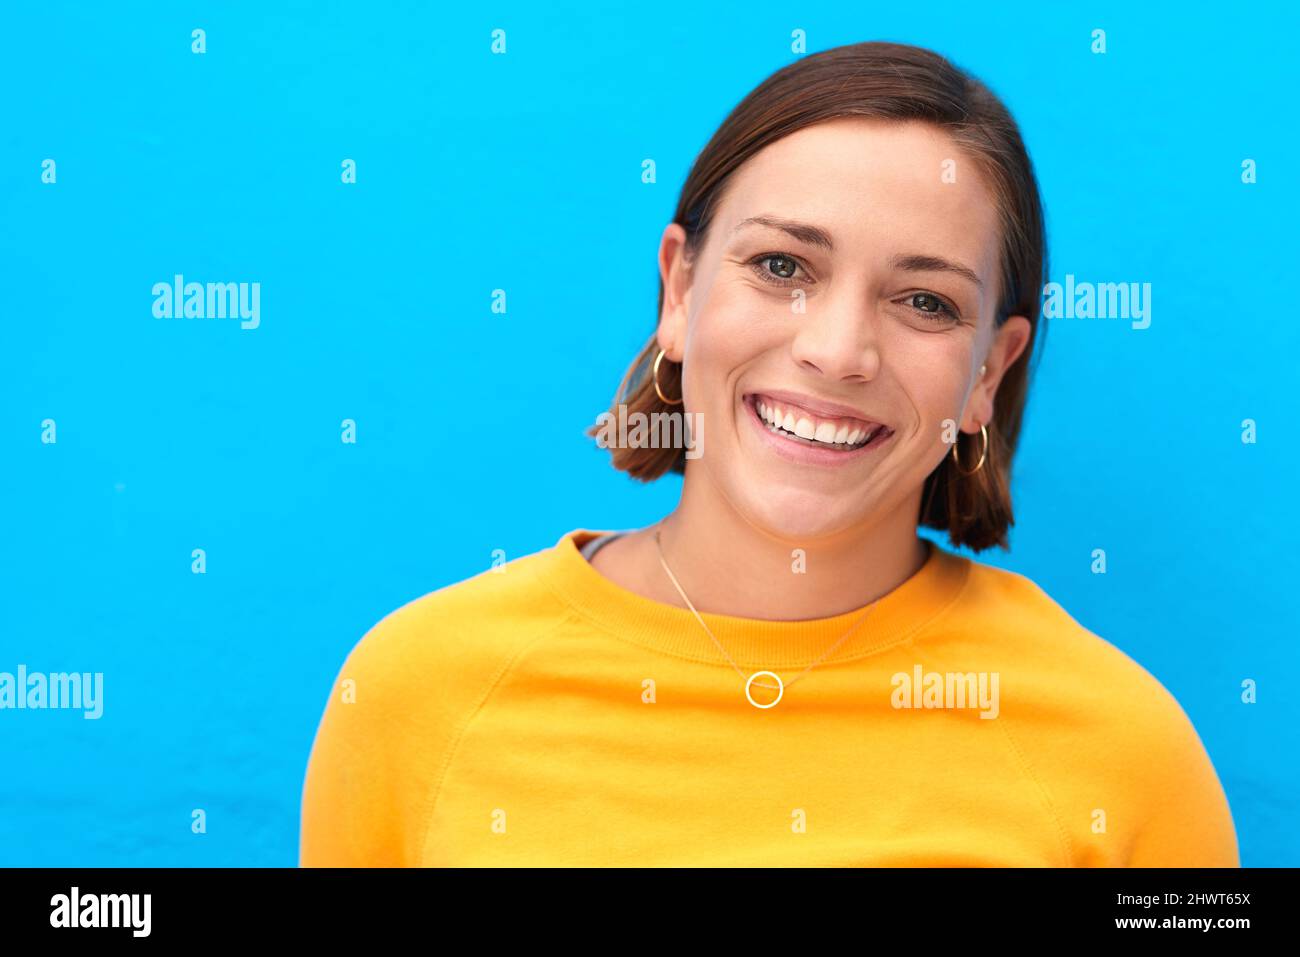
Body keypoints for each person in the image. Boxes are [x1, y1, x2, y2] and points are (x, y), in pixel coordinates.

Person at [300, 40, 1238, 867]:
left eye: (925, 301)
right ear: (680, 289)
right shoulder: (412, 694)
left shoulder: (1121, 746)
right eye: (783, 266)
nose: (837, 351)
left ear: (990, 371)